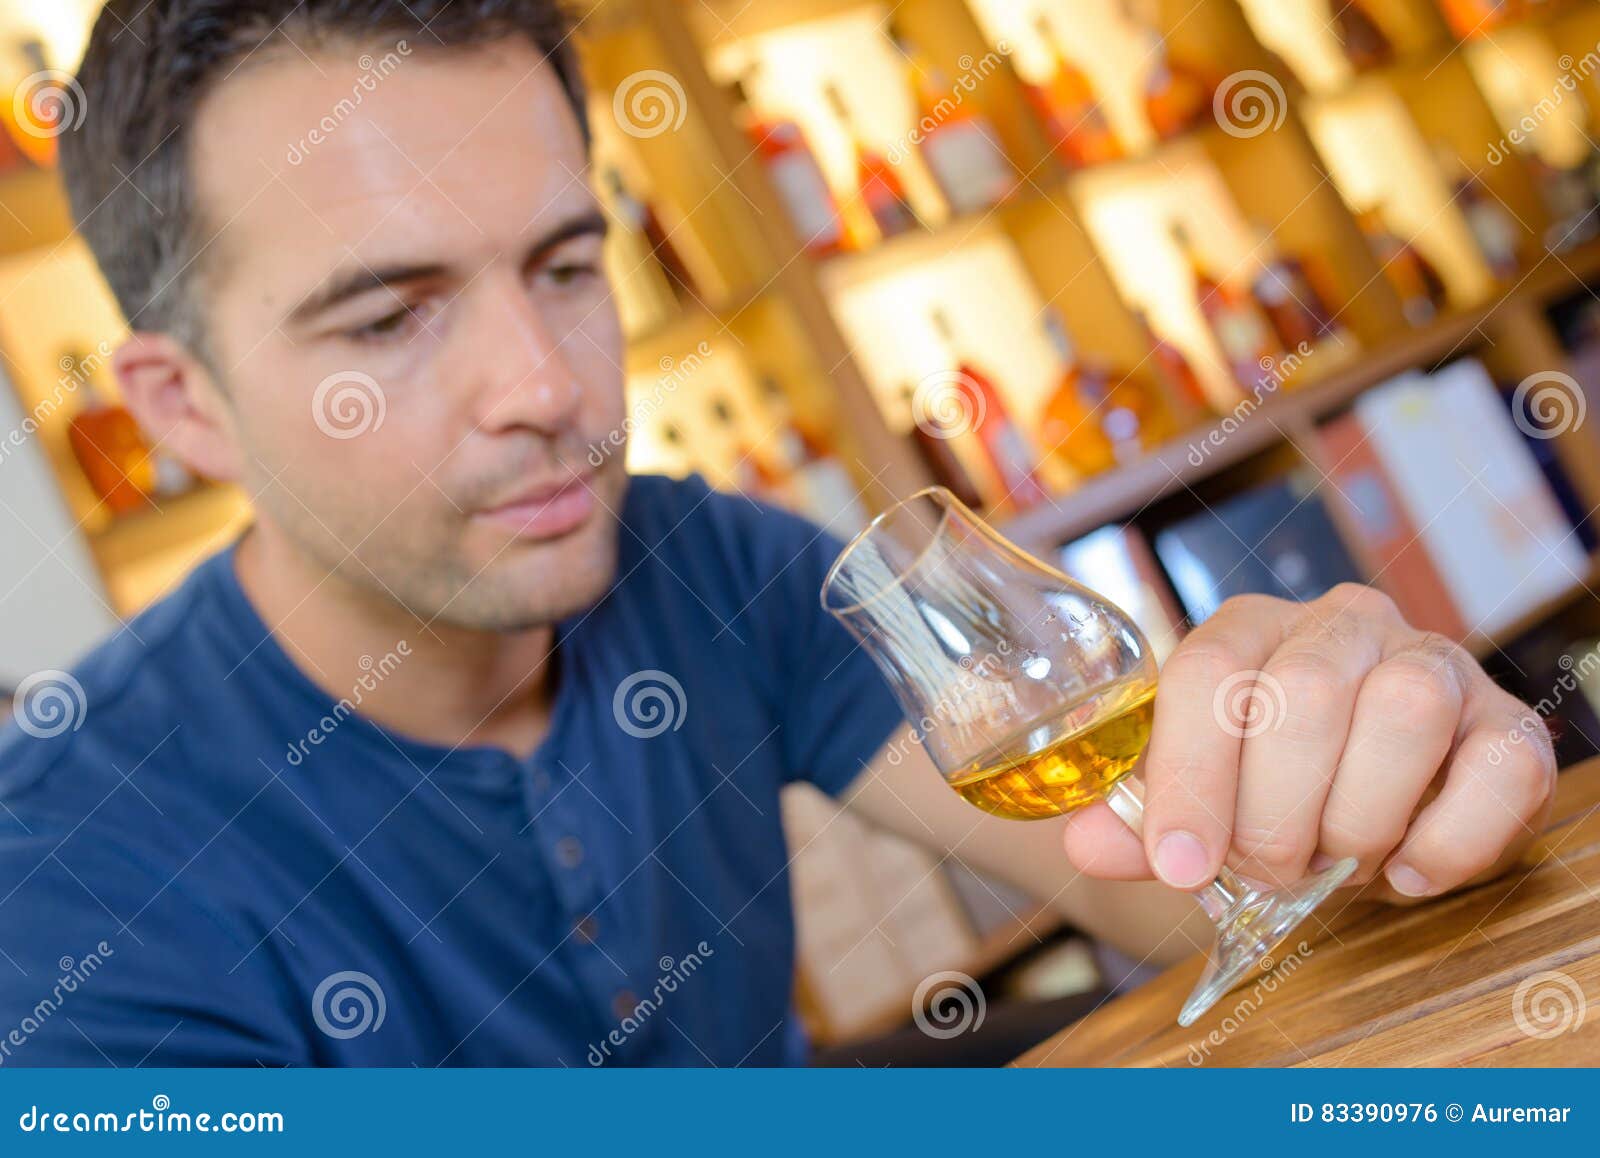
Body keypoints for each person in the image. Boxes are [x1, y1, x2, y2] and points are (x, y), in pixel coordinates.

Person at [0, 0, 1554, 1067]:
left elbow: (1186, 882)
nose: (546, 389)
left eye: (563, 267)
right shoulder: (69, 876)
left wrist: (1356, 791)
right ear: (184, 407)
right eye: (390, 317)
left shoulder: (697, 563)